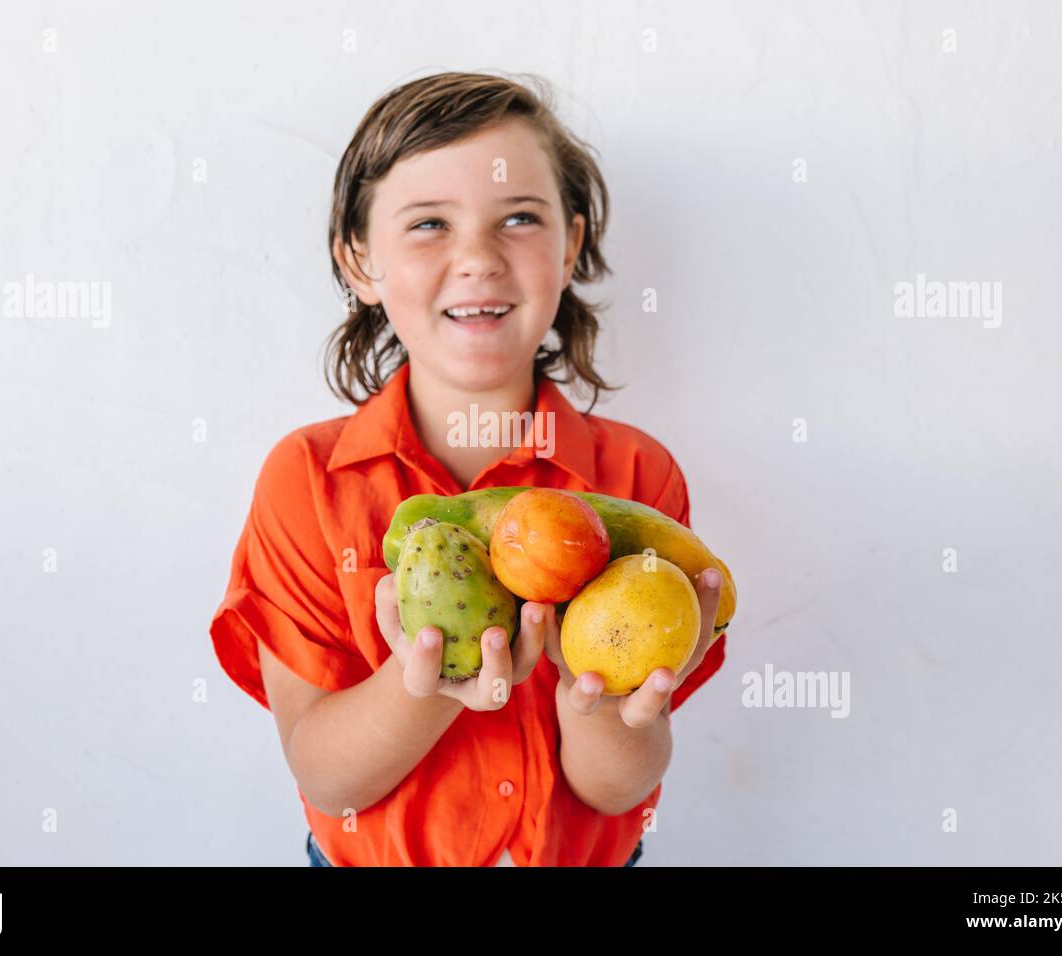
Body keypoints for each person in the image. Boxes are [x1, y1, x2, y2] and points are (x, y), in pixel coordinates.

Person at [209, 71, 728, 867]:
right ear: (359, 262)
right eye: (428, 225)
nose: (478, 258)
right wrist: (425, 690)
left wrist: (592, 704)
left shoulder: (636, 476)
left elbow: (618, 789)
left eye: (519, 217)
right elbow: (324, 773)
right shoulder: (305, 482)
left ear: (572, 246)